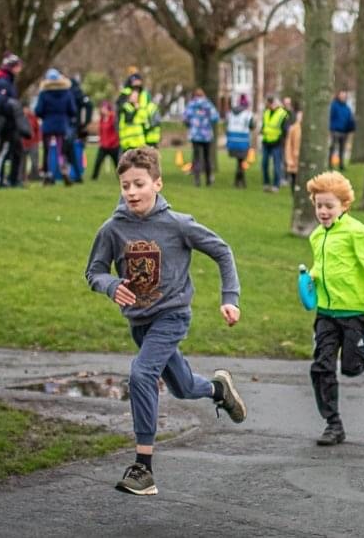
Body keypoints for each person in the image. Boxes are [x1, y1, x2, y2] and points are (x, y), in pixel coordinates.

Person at [84, 147, 246, 495]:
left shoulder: (177, 224)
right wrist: (111, 285)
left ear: (157, 183)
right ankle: (219, 389)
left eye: (139, 184)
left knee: (142, 374)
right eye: (125, 185)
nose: (131, 192)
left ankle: (143, 468)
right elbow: (94, 271)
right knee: (183, 387)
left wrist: (229, 298)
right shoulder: (113, 229)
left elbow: (222, 250)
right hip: (140, 322)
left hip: (172, 315)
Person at [305, 171, 364, 446]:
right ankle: (333, 424)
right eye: (319, 205)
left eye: (329, 206)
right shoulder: (317, 236)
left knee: (352, 367)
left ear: (344, 205)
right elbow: (322, 265)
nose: (323, 211)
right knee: (321, 367)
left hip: (355, 312)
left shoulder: (358, 232)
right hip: (326, 313)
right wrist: (311, 278)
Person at [34, 68, 77, 186]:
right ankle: (64, 171)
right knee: (60, 151)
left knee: (47, 151)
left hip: (47, 125)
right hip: (62, 125)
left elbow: (38, 110)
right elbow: (73, 110)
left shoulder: (44, 93)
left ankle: (47, 174)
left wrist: (45, 116)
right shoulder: (67, 92)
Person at [0, 52, 24, 188]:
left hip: (13, 122)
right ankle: (0, 179)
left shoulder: (9, 81)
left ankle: (14, 180)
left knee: (17, 150)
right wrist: (11, 110)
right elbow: (0, 102)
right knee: (4, 151)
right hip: (6, 122)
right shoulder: (3, 82)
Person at [183, 88, 220, 187]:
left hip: (195, 135)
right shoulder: (208, 104)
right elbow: (215, 117)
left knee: (196, 158)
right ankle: (208, 179)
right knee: (207, 157)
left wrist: (191, 124)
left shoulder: (191, 104)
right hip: (207, 135)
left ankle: (197, 180)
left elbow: (185, 118)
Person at [261, 96, 289, 192]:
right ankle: (266, 183)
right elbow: (264, 126)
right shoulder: (266, 112)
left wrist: (283, 141)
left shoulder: (282, 114)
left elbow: (285, 130)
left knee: (277, 165)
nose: (268, 105)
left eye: (269, 103)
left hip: (277, 143)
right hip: (266, 142)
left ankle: (276, 185)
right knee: (264, 164)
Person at [225, 95, 255, 188]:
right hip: (242, 141)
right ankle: (241, 182)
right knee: (241, 161)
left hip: (232, 140)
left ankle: (238, 182)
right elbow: (252, 126)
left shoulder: (230, 113)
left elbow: (227, 125)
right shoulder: (247, 114)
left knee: (239, 162)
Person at [117, 73, 150, 153]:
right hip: (127, 138)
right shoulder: (125, 93)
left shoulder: (144, 94)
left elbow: (144, 113)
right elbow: (122, 111)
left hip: (139, 137)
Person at [92, 100, 120, 180]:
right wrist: (101, 141)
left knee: (117, 164)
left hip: (113, 146)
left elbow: (117, 132)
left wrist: (113, 142)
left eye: (104, 108)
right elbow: (101, 131)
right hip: (104, 146)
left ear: (108, 109)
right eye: (102, 108)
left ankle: (120, 177)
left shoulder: (113, 118)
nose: (102, 109)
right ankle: (94, 177)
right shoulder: (102, 119)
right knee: (98, 162)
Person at [328, 90, 356, 171]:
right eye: (342, 95)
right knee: (333, 148)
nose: (343, 97)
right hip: (335, 130)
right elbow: (330, 116)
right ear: (338, 96)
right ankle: (330, 164)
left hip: (344, 131)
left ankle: (341, 165)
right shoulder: (334, 105)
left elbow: (349, 119)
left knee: (342, 149)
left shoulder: (347, 108)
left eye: (344, 96)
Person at [285, 102, 303, 192]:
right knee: (294, 178)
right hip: (294, 158)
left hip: (303, 160)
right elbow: (288, 145)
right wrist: (289, 159)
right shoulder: (293, 129)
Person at [21, 102, 41, 183]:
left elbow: (37, 129)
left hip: (33, 142)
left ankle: (34, 176)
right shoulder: (20, 117)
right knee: (22, 161)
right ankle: (22, 176)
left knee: (34, 160)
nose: (26, 110)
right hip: (23, 142)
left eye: (27, 108)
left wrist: (37, 140)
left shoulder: (33, 117)